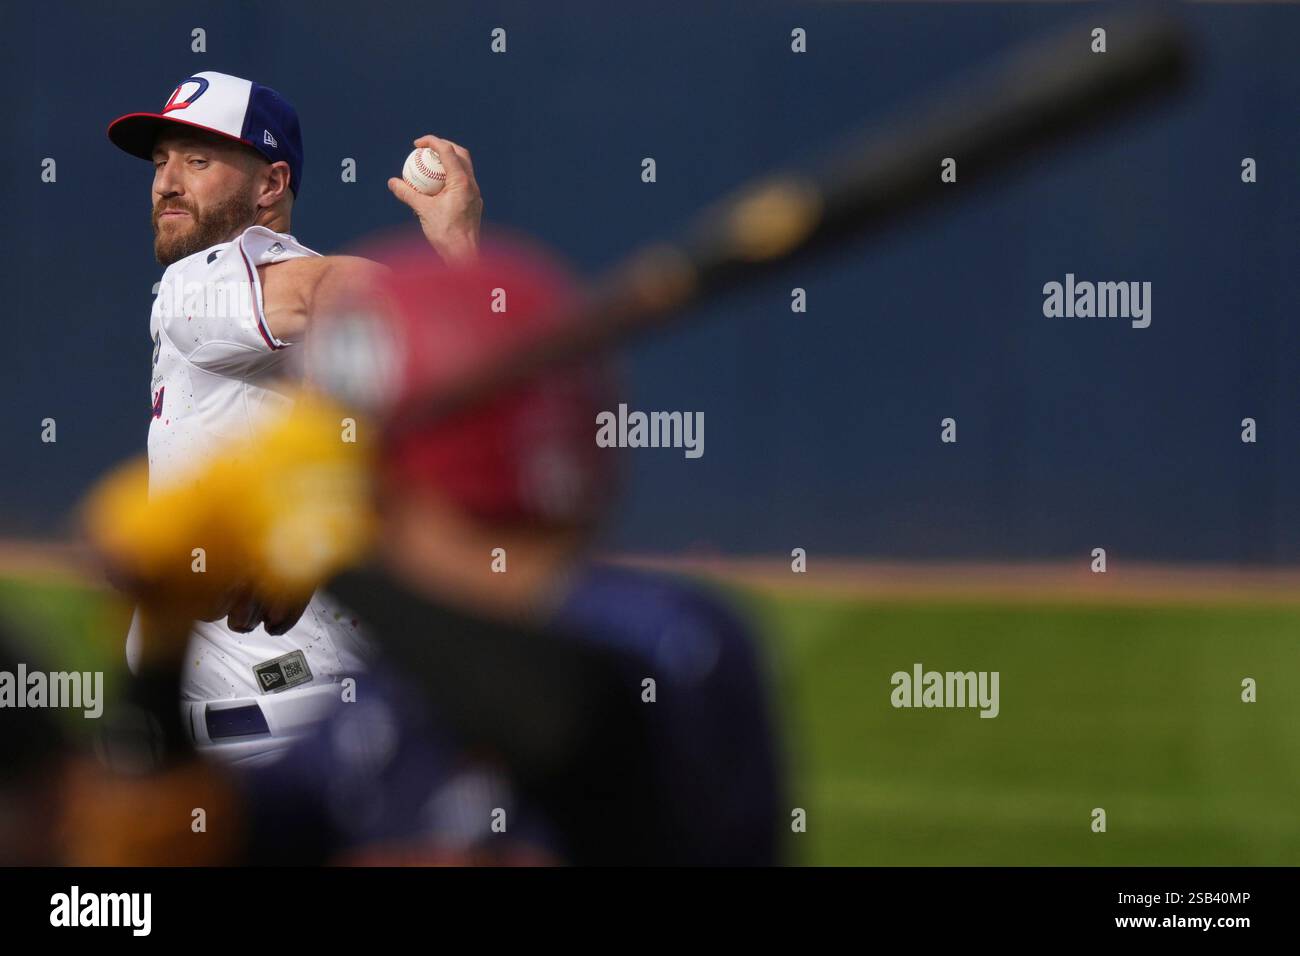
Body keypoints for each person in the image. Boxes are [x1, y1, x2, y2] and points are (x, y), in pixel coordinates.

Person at [106, 71, 483, 764]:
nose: (166, 182)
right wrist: (456, 254)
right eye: (160, 162)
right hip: (339, 711)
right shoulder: (374, 347)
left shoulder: (202, 280)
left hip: (236, 739)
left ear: (271, 184)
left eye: (197, 160)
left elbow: (325, 289)